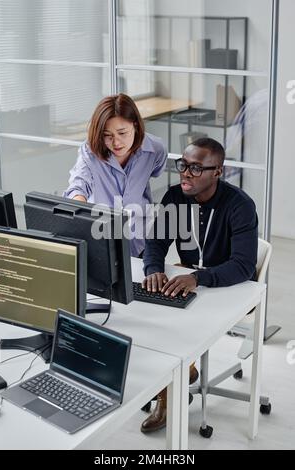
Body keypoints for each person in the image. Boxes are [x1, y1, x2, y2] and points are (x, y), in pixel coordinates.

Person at [140, 137, 258, 433]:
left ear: (217, 171)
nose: (185, 173)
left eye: (195, 168)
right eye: (183, 165)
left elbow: (243, 266)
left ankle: (167, 397)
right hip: (190, 278)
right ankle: (180, 372)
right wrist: (154, 268)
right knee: (152, 309)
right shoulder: (174, 197)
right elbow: (155, 242)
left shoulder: (239, 205)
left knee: (176, 326)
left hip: (230, 287)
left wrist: (197, 277)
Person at [63, 93, 167, 257]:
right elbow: (78, 186)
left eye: (122, 133)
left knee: (141, 280)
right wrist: (79, 210)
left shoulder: (155, 149)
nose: (116, 143)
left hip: (141, 239)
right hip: (102, 239)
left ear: (136, 126)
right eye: (107, 135)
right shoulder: (90, 152)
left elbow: (155, 171)